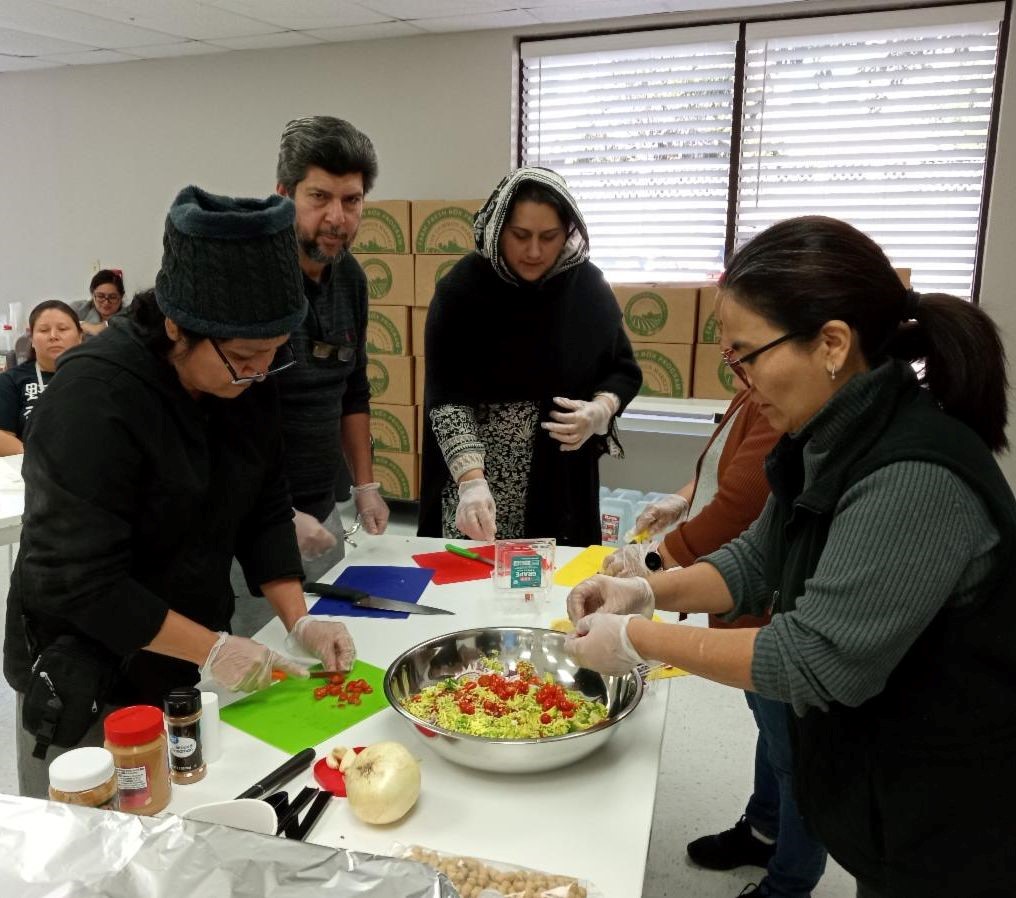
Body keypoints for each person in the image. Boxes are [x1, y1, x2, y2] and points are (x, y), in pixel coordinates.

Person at [565, 215, 1016, 898]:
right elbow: (756, 559)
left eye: (747, 355)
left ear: (832, 344)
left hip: (956, 802)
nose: (742, 382)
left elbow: (813, 659)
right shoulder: (825, 437)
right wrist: (652, 593)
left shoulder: (914, 475)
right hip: (882, 777)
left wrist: (635, 638)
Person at [4, 186, 357, 798]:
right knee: (90, 853)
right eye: (246, 357)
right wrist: (216, 648)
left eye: (273, 356)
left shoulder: (250, 379)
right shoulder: (94, 398)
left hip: (179, 659)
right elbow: (84, 583)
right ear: (177, 327)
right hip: (85, 676)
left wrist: (298, 620)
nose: (258, 374)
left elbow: (265, 507)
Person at [601, 392, 828, 898]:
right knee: (772, 735)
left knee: (797, 758)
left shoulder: (795, 405)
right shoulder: (765, 388)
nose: (734, 362)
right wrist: (684, 501)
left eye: (739, 347)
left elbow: (739, 504)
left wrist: (652, 578)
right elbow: (739, 517)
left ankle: (789, 883)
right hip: (751, 604)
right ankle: (764, 830)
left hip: (779, 618)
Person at [418, 167, 642, 545]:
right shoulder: (462, 291)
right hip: (480, 480)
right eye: (520, 236)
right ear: (499, 227)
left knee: (558, 589)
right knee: (474, 586)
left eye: (549, 237)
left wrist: (599, 410)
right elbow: (447, 398)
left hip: (561, 481)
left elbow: (622, 369)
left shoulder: (586, 288)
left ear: (568, 231)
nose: (534, 251)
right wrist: (472, 482)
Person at [273, 115, 389, 578]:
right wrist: (274, 513)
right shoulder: (258, 280)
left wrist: (365, 485)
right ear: (285, 196)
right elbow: (223, 418)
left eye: (351, 200)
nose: (337, 218)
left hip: (323, 506)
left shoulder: (352, 279)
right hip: (248, 519)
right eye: (319, 197)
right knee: (264, 649)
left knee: (331, 640)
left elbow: (353, 389)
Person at [0, 300, 83, 456]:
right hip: (32, 471)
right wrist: (40, 461)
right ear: (31, 340)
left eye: (63, 329)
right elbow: (2, 437)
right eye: (44, 330)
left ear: (80, 336)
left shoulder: (99, 377)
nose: (53, 336)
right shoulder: (11, 380)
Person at [74, 269, 127, 336]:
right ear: (92, 295)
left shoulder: (129, 317)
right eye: (101, 296)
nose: (106, 302)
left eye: (112, 297)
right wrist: (84, 325)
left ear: (121, 297)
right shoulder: (79, 308)